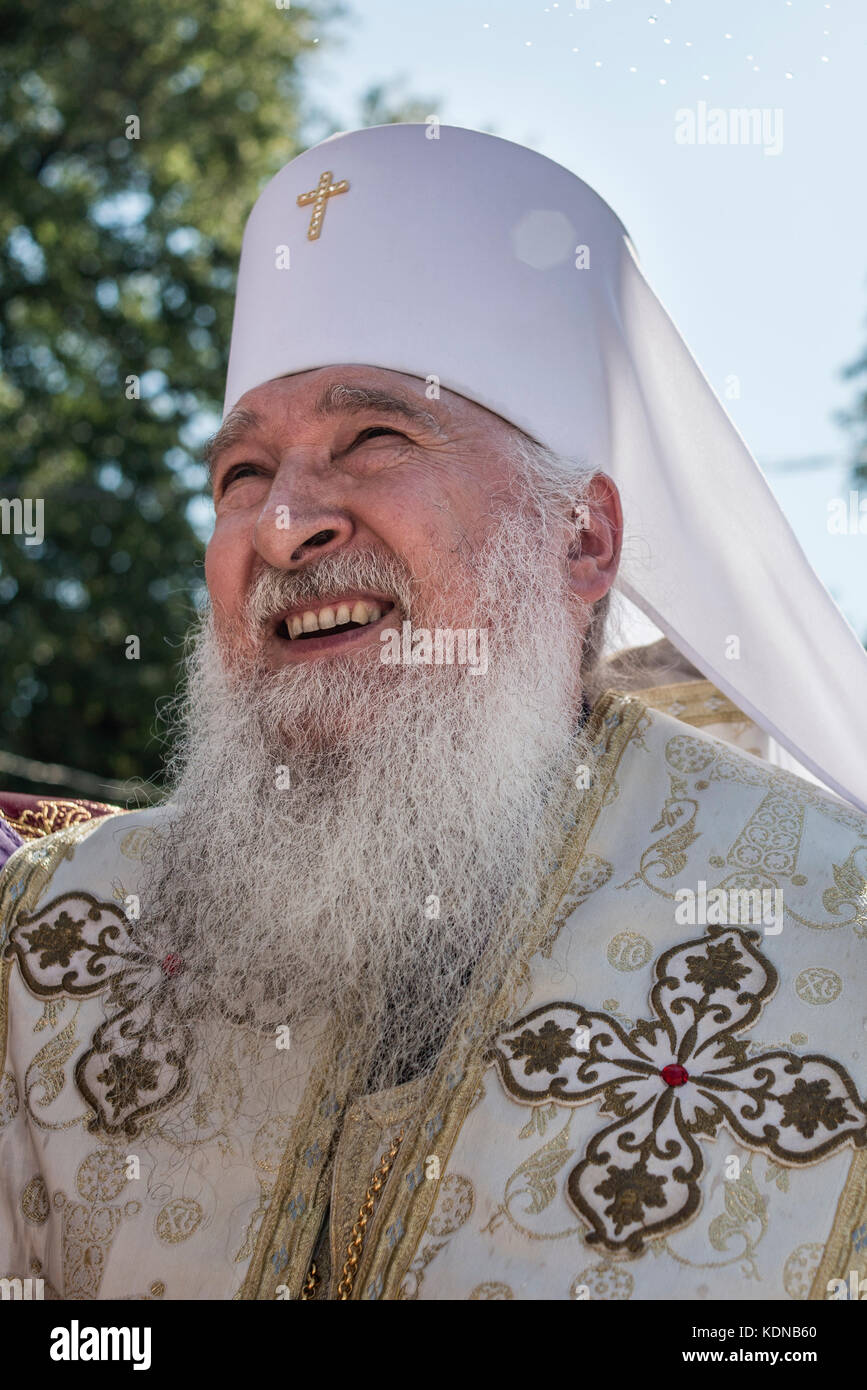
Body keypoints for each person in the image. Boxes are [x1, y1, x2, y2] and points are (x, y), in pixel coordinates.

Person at [1, 124, 866, 1302]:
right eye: (240, 475)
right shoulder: (53, 943)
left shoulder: (841, 929)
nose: (282, 524)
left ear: (583, 538)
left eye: (376, 439)